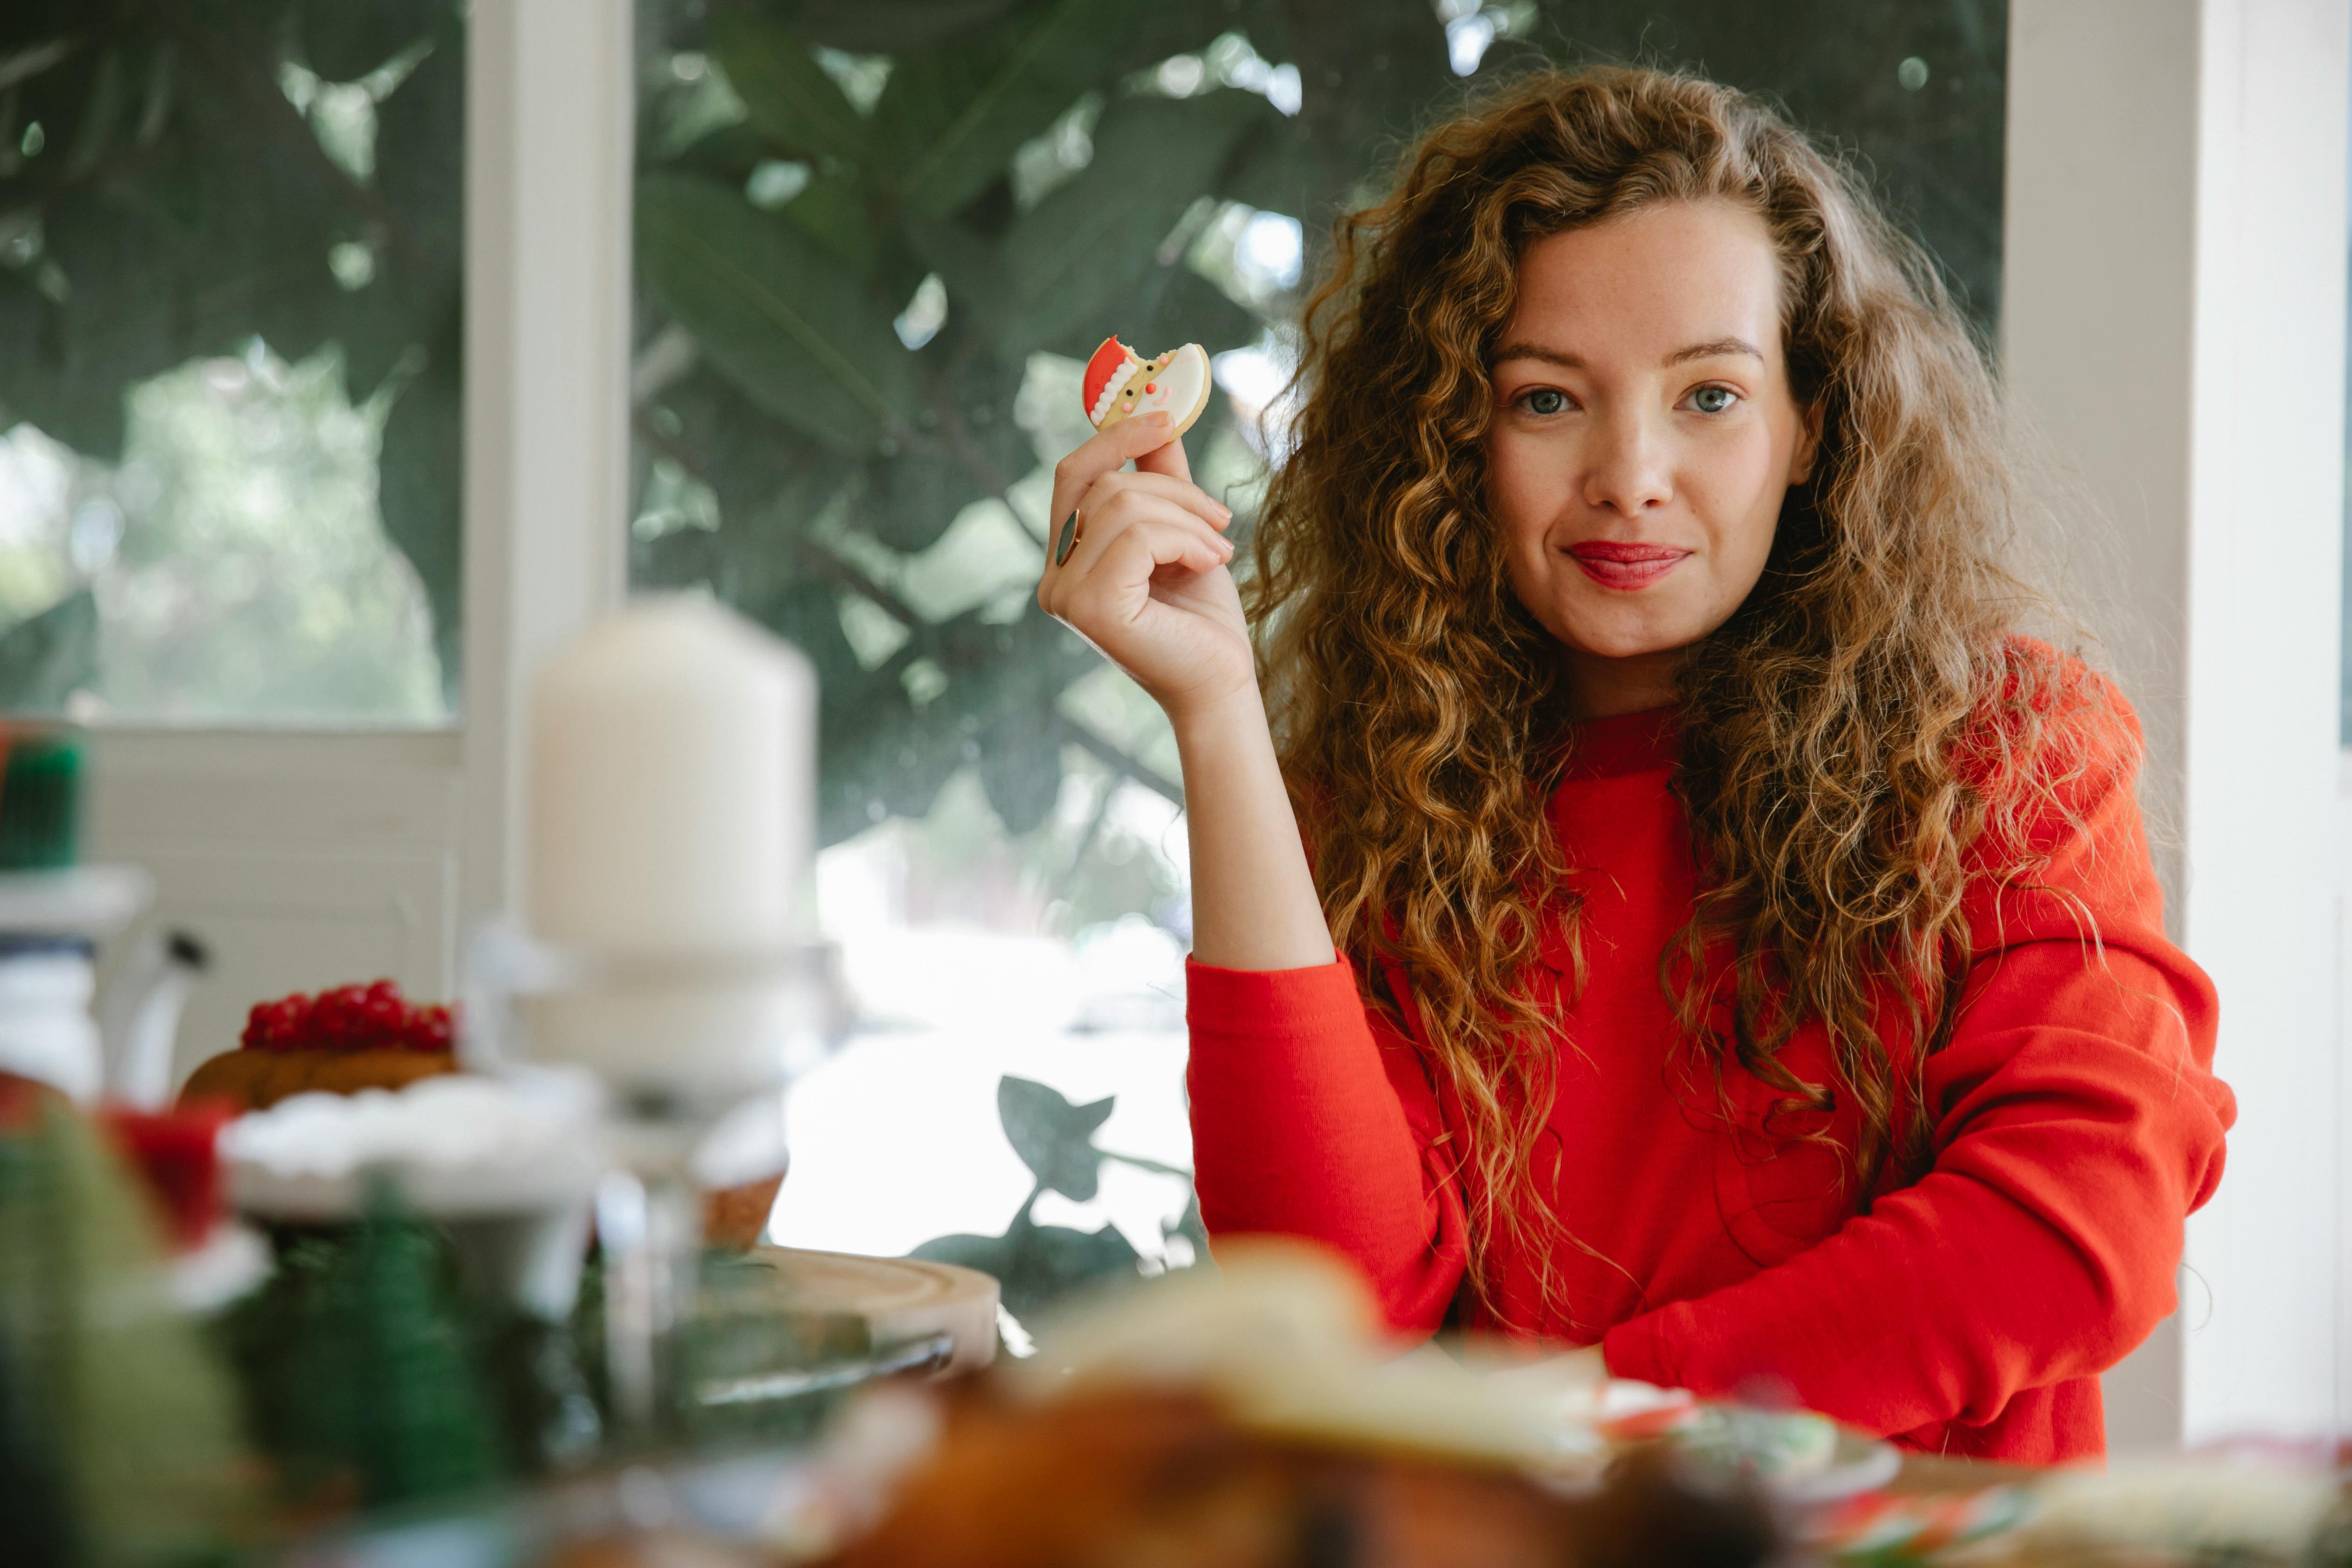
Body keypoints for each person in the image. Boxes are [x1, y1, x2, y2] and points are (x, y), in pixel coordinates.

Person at [1034, 66, 2232, 1463]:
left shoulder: (2010, 744)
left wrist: (1600, 1418)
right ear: (1455, 436)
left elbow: (2079, 1226)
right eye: (1547, 400)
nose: (1631, 474)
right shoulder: (1371, 803)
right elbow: (1334, 1311)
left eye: (1710, 395)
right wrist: (1218, 713)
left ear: (1813, 424)